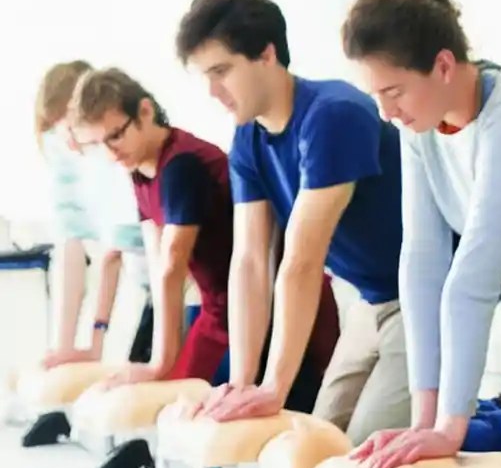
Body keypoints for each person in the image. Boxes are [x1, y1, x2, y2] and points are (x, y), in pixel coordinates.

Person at [339, 0, 501, 468]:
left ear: (442, 66)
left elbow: (475, 273)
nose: (385, 112)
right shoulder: (421, 125)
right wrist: (424, 421)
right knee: (436, 438)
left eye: (393, 92)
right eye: (376, 96)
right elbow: (423, 263)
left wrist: (450, 426)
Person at [174, 0, 406, 443]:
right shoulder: (248, 139)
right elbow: (250, 260)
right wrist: (243, 382)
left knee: (364, 451)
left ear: (266, 54)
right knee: (317, 442)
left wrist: (275, 388)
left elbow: (301, 259)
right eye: (203, 76)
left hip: (422, 299)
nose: (213, 92)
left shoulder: (333, 114)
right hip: (366, 302)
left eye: (222, 71)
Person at [66, 68, 338, 406]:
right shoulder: (140, 172)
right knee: (181, 407)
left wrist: (160, 364)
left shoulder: (182, 165)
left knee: (270, 412)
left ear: (146, 112)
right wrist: (160, 365)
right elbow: (157, 263)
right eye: (97, 145)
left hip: (271, 308)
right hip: (222, 311)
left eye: (115, 136)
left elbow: (172, 266)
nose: (110, 153)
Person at [33, 61, 150, 369]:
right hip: (150, 289)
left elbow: (164, 261)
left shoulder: (120, 155)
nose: (69, 142)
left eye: (72, 129)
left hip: (185, 291)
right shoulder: (74, 159)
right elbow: (100, 252)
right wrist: (77, 346)